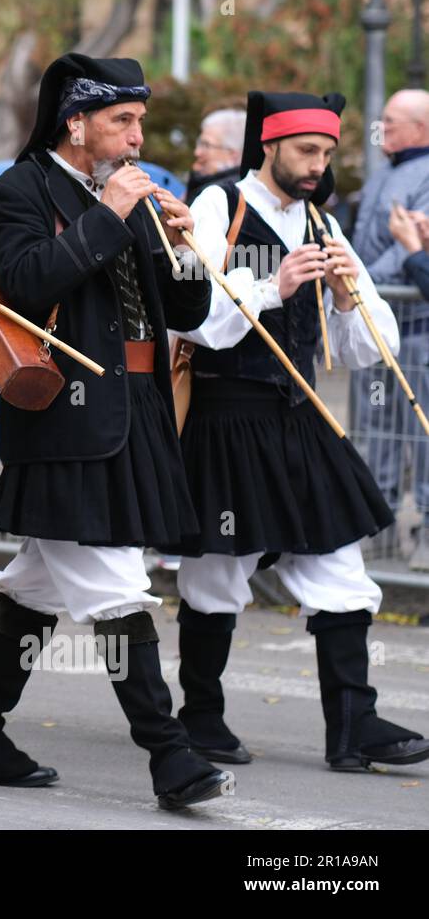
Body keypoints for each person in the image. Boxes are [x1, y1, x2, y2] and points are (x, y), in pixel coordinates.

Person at [0, 52, 230, 810]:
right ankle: (171, 757)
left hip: (135, 411)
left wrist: (186, 243)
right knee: (112, 583)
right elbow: (30, 284)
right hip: (64, 418)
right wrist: (110, 217)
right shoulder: (18, 190)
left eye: (139, 122)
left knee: (37, 583)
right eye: (122, 122)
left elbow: (186, 313)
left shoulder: (121, 195)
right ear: (76, 124)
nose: (137, 138)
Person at [173, 90, 429, 773]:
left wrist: (348, 299)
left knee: (341, 571)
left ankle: (354, 726)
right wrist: (271, 286)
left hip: (300, 414)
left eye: (327, 152)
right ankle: (199, 718)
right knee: (217, 575)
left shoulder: (323, 220)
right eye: (307, 151)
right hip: (226, 416)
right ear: (271, 146)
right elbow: (190, 316)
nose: (319, 165)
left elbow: (367, 349)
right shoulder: (218, 207)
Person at [350, 89, 429, 566]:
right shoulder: (383, 175)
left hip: (416, 329)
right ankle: (375, 530)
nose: (382, 129)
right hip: (374, 328)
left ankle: (424, 529)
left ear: (420, 128)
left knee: (420, 435)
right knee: (376, 430)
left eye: (391, 121)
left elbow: (410, 247)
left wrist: (360, 281)